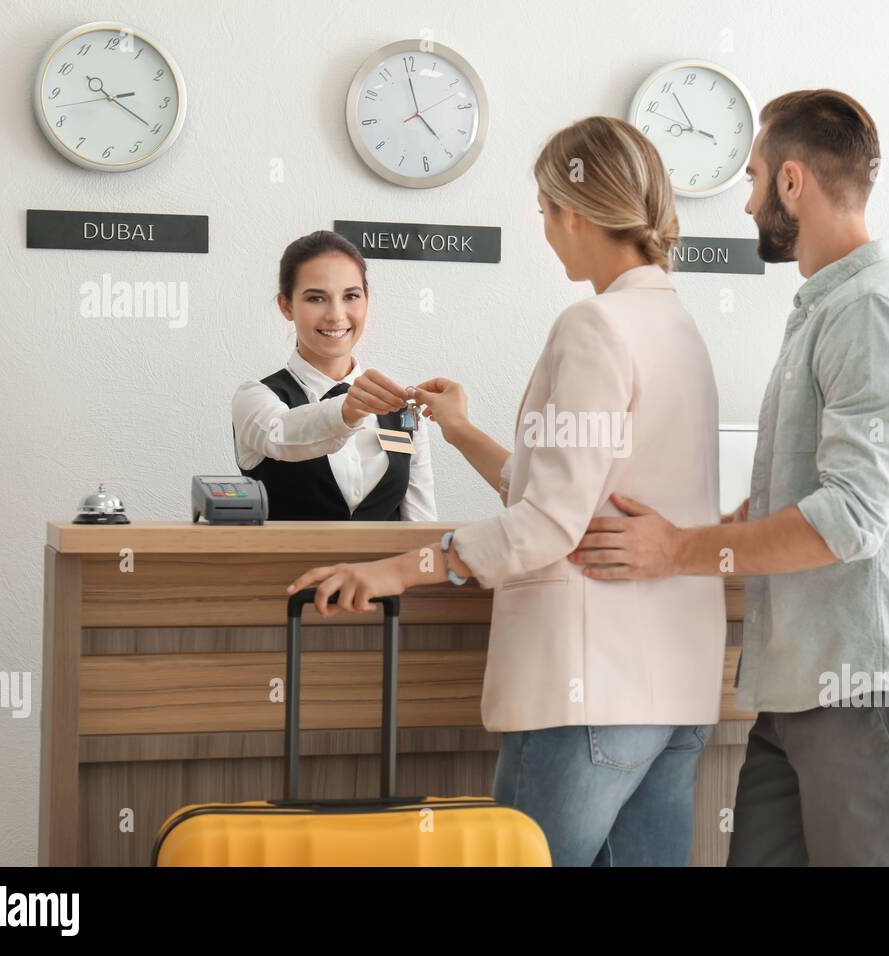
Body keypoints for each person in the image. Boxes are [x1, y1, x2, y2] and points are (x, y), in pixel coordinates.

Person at [287, 116, 726, 866]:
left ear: (575, 212)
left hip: (586, 691)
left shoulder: (593, 324)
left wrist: (393, 572)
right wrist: (461, 430)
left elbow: (546, 525)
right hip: (674, 689)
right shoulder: (677, 323)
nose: (546, 229)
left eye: (545, 210)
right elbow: (577, 490)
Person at [568, 89, 889, 866]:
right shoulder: (827, 310)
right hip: (801, 686)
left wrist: (678, 550)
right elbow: (833, 480)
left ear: (793, 183)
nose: (750, 200)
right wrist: (731, 525)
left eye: (754, 177)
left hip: (868, 685)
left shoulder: (871, 310)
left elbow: (854, 517)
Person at [232, 230, 436, 521]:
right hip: (286, 567)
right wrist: (347, 410)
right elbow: (283, 435)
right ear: (286, 306)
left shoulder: (404, 411)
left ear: (366, 300)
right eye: (316, 298)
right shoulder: (254, 398)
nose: (336, 315)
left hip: (386, 568)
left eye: (351, 296)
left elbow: (420, 527)